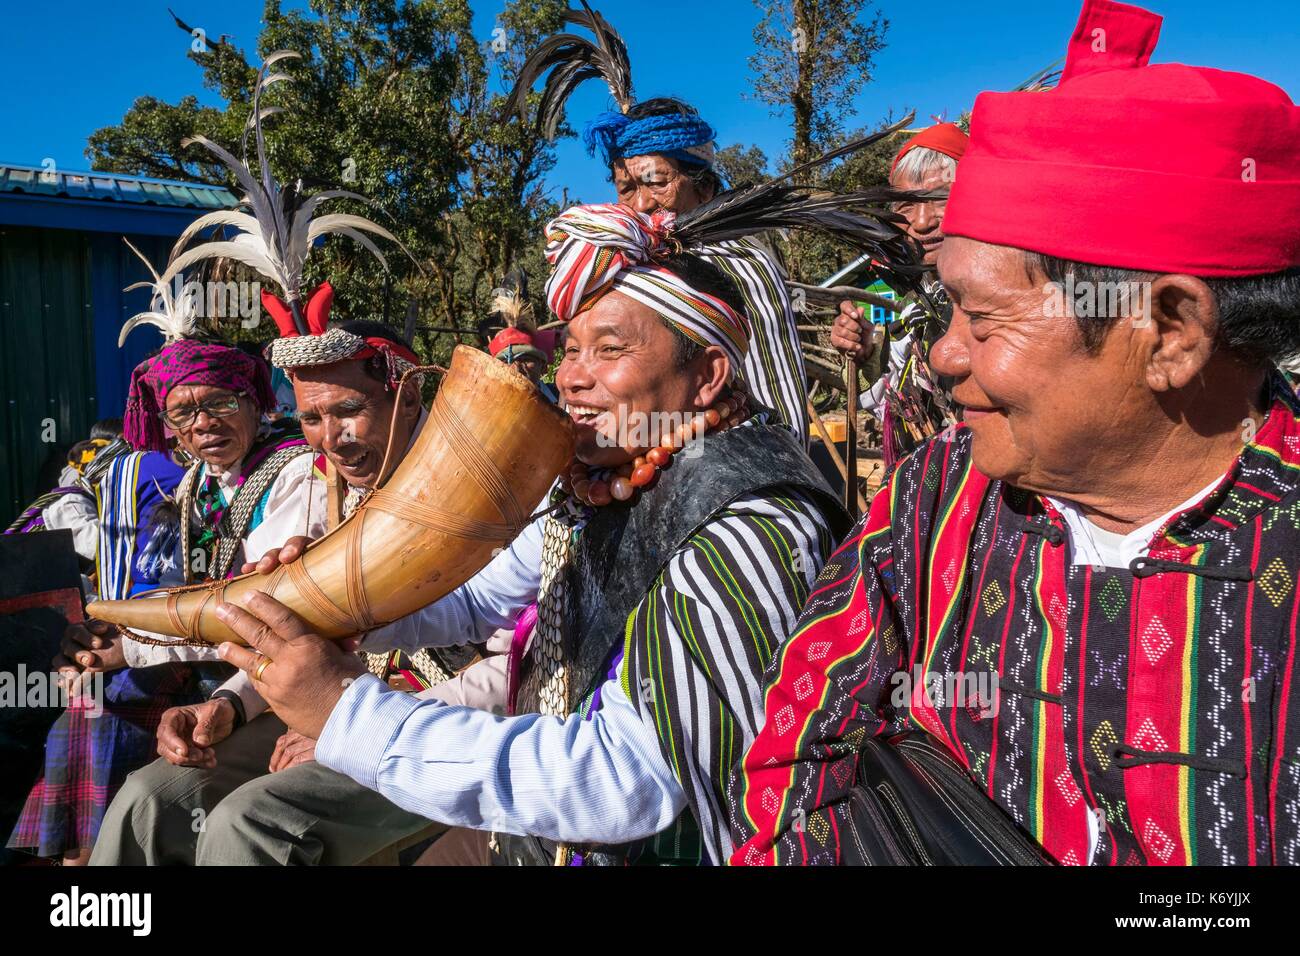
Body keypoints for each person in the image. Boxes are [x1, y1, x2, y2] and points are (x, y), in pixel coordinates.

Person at [730, 0, 1300, 866]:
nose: (946, 356)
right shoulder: (935, 496)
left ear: (1173, 331)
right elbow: (801, 749)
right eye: (946, 307)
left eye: (984, 319)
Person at [200, 200, 856, 866]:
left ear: (708, 374)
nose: (571, 376)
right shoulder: (611, 475)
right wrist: (329, 600)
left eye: (610, 349)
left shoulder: (750, 528)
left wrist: (348, 713)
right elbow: (479, 601)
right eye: (570, 349)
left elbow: (624, 778)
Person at [89, 310, 484, 865]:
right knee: (147, 801)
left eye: (349, 410)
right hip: (334, 702)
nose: (333, 439)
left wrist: (350, 722)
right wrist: (230, 703)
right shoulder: (333, 487)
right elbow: (299, 631)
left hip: (444, 721)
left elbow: (509, 658)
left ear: (409, 399)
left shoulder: (471, 481)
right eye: (312, 417)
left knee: (248, 824)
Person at [10, 334, 325, 865]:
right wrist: (110, 632)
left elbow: (264, 611)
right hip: (212, 664)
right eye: (183, 413)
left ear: (253, 399)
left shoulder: (295, 472)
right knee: (83, 710)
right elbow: (172, 589)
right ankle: (78, 856)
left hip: (275, 677)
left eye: (220, 402)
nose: (203, 423)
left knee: (112, 732)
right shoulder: (198, 482)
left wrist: (132, 646)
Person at [509, 6, 810, 444]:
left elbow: (782, 415)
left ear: (704, 189)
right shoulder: (619, 265)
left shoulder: (742, 267)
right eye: (626, 188)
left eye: (658, 182)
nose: (643, 202)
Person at [830, 122, 967, 466]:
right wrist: (865, 355)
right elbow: (892, 406)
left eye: (940, 199)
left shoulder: (1014, 294)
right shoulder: (912, 303)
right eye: (906, 205)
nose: (921, 222)